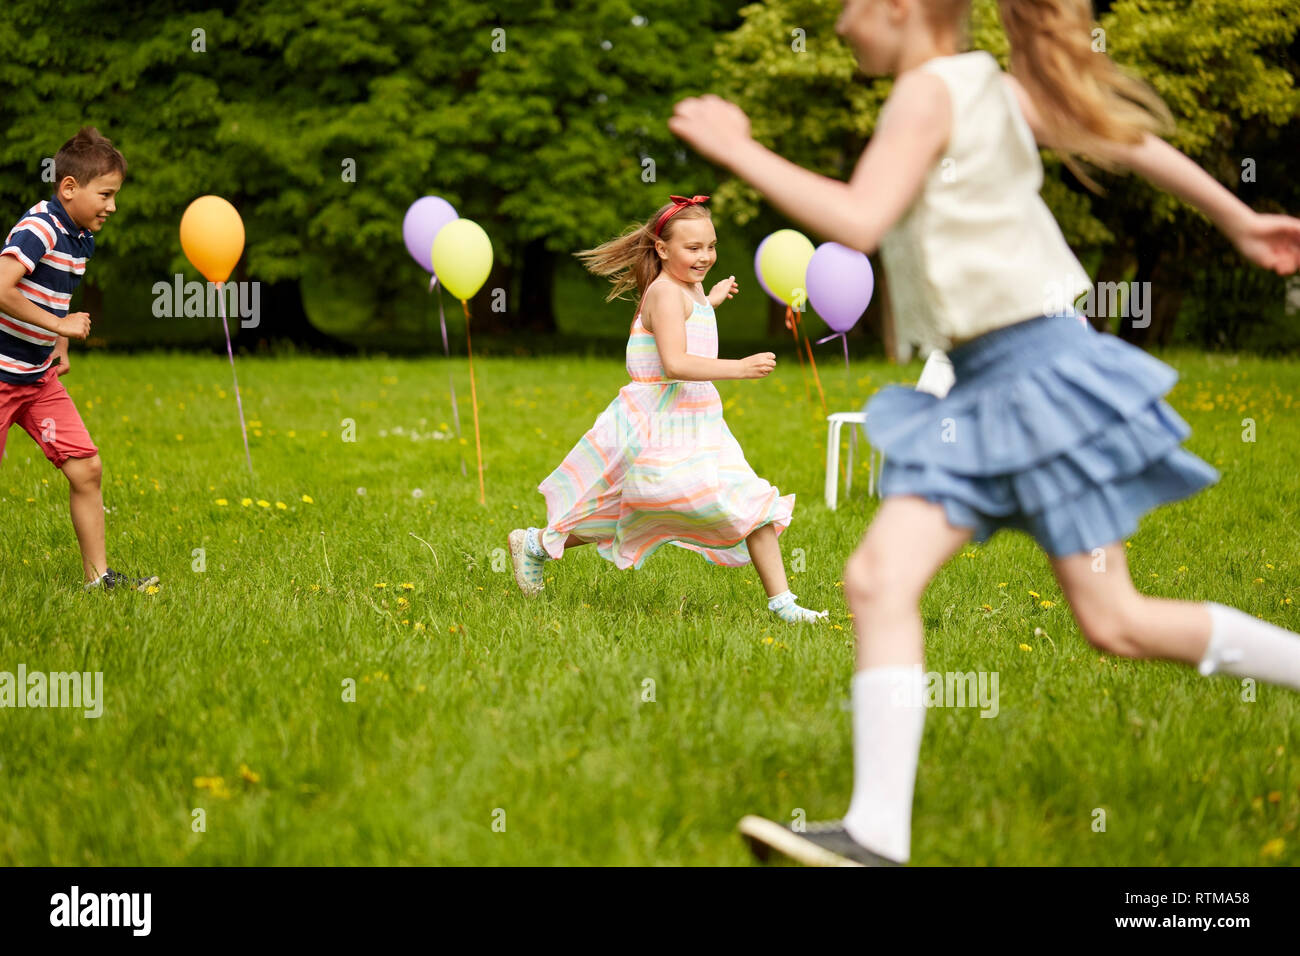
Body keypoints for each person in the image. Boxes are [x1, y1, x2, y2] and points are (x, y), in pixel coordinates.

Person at [668, 0, 1300, 865]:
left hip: (1033, 377)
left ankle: (873, 838)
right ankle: (875, 838)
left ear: (899, 9)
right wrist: (1237, 217)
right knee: (1104, 619)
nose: (846, 27)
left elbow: (859, 220)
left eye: (854, 8)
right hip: (999, 382)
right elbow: (1122, 139)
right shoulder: (989, 85)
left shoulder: (930, 91)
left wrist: (738, 148)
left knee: (911, 583)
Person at [508, 195, 828, 624]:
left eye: (711, 246)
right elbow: (675, 362)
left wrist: (710, 299)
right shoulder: (662, 293)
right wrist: (739, 367)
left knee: (752, 500)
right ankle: (536, 543)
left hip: (698, 420)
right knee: (630, 506)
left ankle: (783, 605)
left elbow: (691, 315)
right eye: (693, 248)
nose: (705, 256)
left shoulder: (689, 287)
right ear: (662, 249)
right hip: (656, 421)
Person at [0, 127, 158, 592]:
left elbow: (57, 293)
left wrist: (58, 344)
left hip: (35, 379)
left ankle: (98, 579)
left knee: (86, 468)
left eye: (115, 195)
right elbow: (2, 287)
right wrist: (60, 328)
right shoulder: (39, 227)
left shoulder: (80, 236)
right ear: (69, 187)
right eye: (105, 194)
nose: (112, 206)